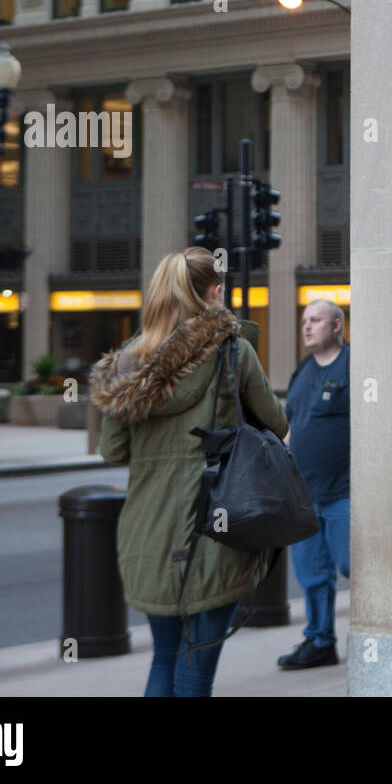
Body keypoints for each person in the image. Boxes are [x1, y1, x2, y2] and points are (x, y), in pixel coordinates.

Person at [89, 247, 287, 697]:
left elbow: (113, 450)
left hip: (148, 534)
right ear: (215, 292)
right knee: (195, 672)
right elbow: (277, 423)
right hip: (213, 532)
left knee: (163, 658)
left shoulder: (125, 366)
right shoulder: (231, 352)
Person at [278, 299, 350, 670]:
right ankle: (320, 641)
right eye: (305, 320)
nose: (307, 326)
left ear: (336, 325)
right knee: (312, 575)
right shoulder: (302, 372)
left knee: (356, 566)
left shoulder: (352, 366)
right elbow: (293, 426)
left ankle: (379, 634)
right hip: (305, 495)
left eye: (316, 320)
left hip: (344, 492)